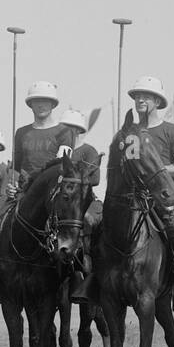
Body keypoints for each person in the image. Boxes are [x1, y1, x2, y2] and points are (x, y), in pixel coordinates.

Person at [127, 76, 174, 309]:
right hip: (134, 196)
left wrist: (157, 170)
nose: (140, 100)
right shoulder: (132, 133)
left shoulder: (173, 131)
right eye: (137, 96)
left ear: (157, 101)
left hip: (166, 195)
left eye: (146, 96)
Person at [56, 108, 103, 303]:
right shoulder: (58, 152)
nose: (67, 131)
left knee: (87, 219)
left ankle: (88, 266)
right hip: (62, 199)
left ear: (78, 130)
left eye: (71, 128)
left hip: (84, 201)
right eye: (65, 127)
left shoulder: (88, 150)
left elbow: (96, 179)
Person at [7, 81, 76, 195]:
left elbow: (62, 166)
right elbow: (16, 165)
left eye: (45, 101)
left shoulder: (65, 132)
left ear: (53, 104)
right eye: (36, 101)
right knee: (3, 212)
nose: (41, 105)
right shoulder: (21, 132)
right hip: (25, 191)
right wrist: (11, 185)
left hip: (52, 191)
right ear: (31, 105)